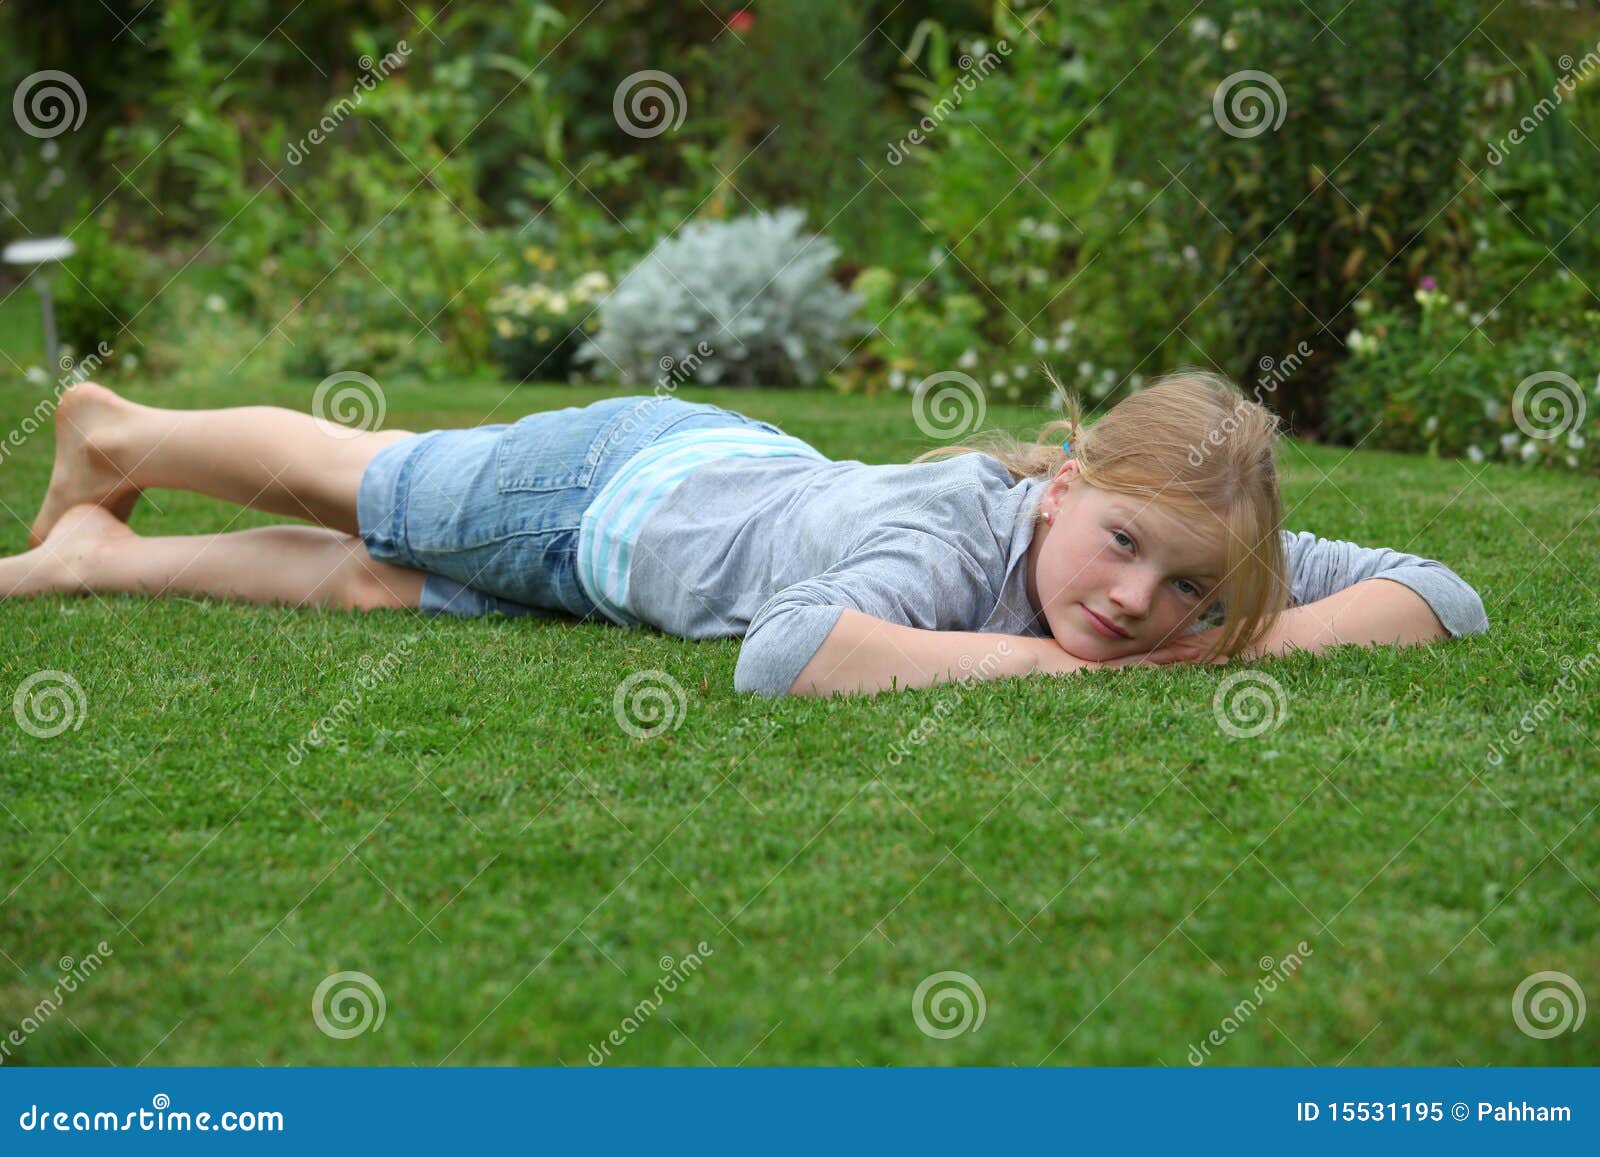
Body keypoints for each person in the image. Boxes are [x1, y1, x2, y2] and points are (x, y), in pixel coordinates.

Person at [5, 371, 1488, 696]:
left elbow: (1448, 594)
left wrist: (1235, 625)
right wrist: (1076, 671)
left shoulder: (1191, 569)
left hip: (666, 542)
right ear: (1060, 483)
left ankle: (98, 560)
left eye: (1187, 589)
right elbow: (786, 655)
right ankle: (121, 433)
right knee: (375, 481)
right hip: (612, 487)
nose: (1135, 598)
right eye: (1117, 544)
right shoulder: (951, 549)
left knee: (377, 587)